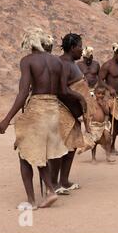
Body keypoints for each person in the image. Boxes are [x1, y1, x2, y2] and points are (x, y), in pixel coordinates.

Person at [0, 28, 72, 209]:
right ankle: (51, 191)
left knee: (24, 154)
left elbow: (23, 92)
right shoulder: (57, 62)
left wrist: (6, 119)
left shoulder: (28, 61)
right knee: (38, 154)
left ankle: (31, 201)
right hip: (53, 110)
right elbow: (63, 91)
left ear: (30, 43)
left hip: (36, 109)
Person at [50, 33, 90, 195]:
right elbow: (61, 89)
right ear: (72, 47)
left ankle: (64, 181)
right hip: (62, 111)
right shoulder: (64, 64)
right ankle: (53, 183)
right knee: (60, 147)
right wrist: (80, 97)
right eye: (80, 46)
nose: (82, 50)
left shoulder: (71, 63)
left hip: (72, 113)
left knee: (72, 146)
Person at [98, 42, 118, 156]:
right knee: (108, 122)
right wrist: (109, 88)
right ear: (116, 53)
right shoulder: (107, 65)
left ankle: (112, 146)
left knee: (117, 124)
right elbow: (100, 80)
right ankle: (106, 145)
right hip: (109, 97)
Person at [77, 87, 115, 163]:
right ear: (95, 94)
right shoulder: (92, 103)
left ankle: (108, 156)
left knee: (108, 137)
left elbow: (107, 113)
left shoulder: (105, 103)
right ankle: (93, 158)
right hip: (94, 125)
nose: (100, 95)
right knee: (94, 141)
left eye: (102, 94)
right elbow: (88, 115)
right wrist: (87, 126)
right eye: (99, 94)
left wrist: (103, 105)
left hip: (103, 124)